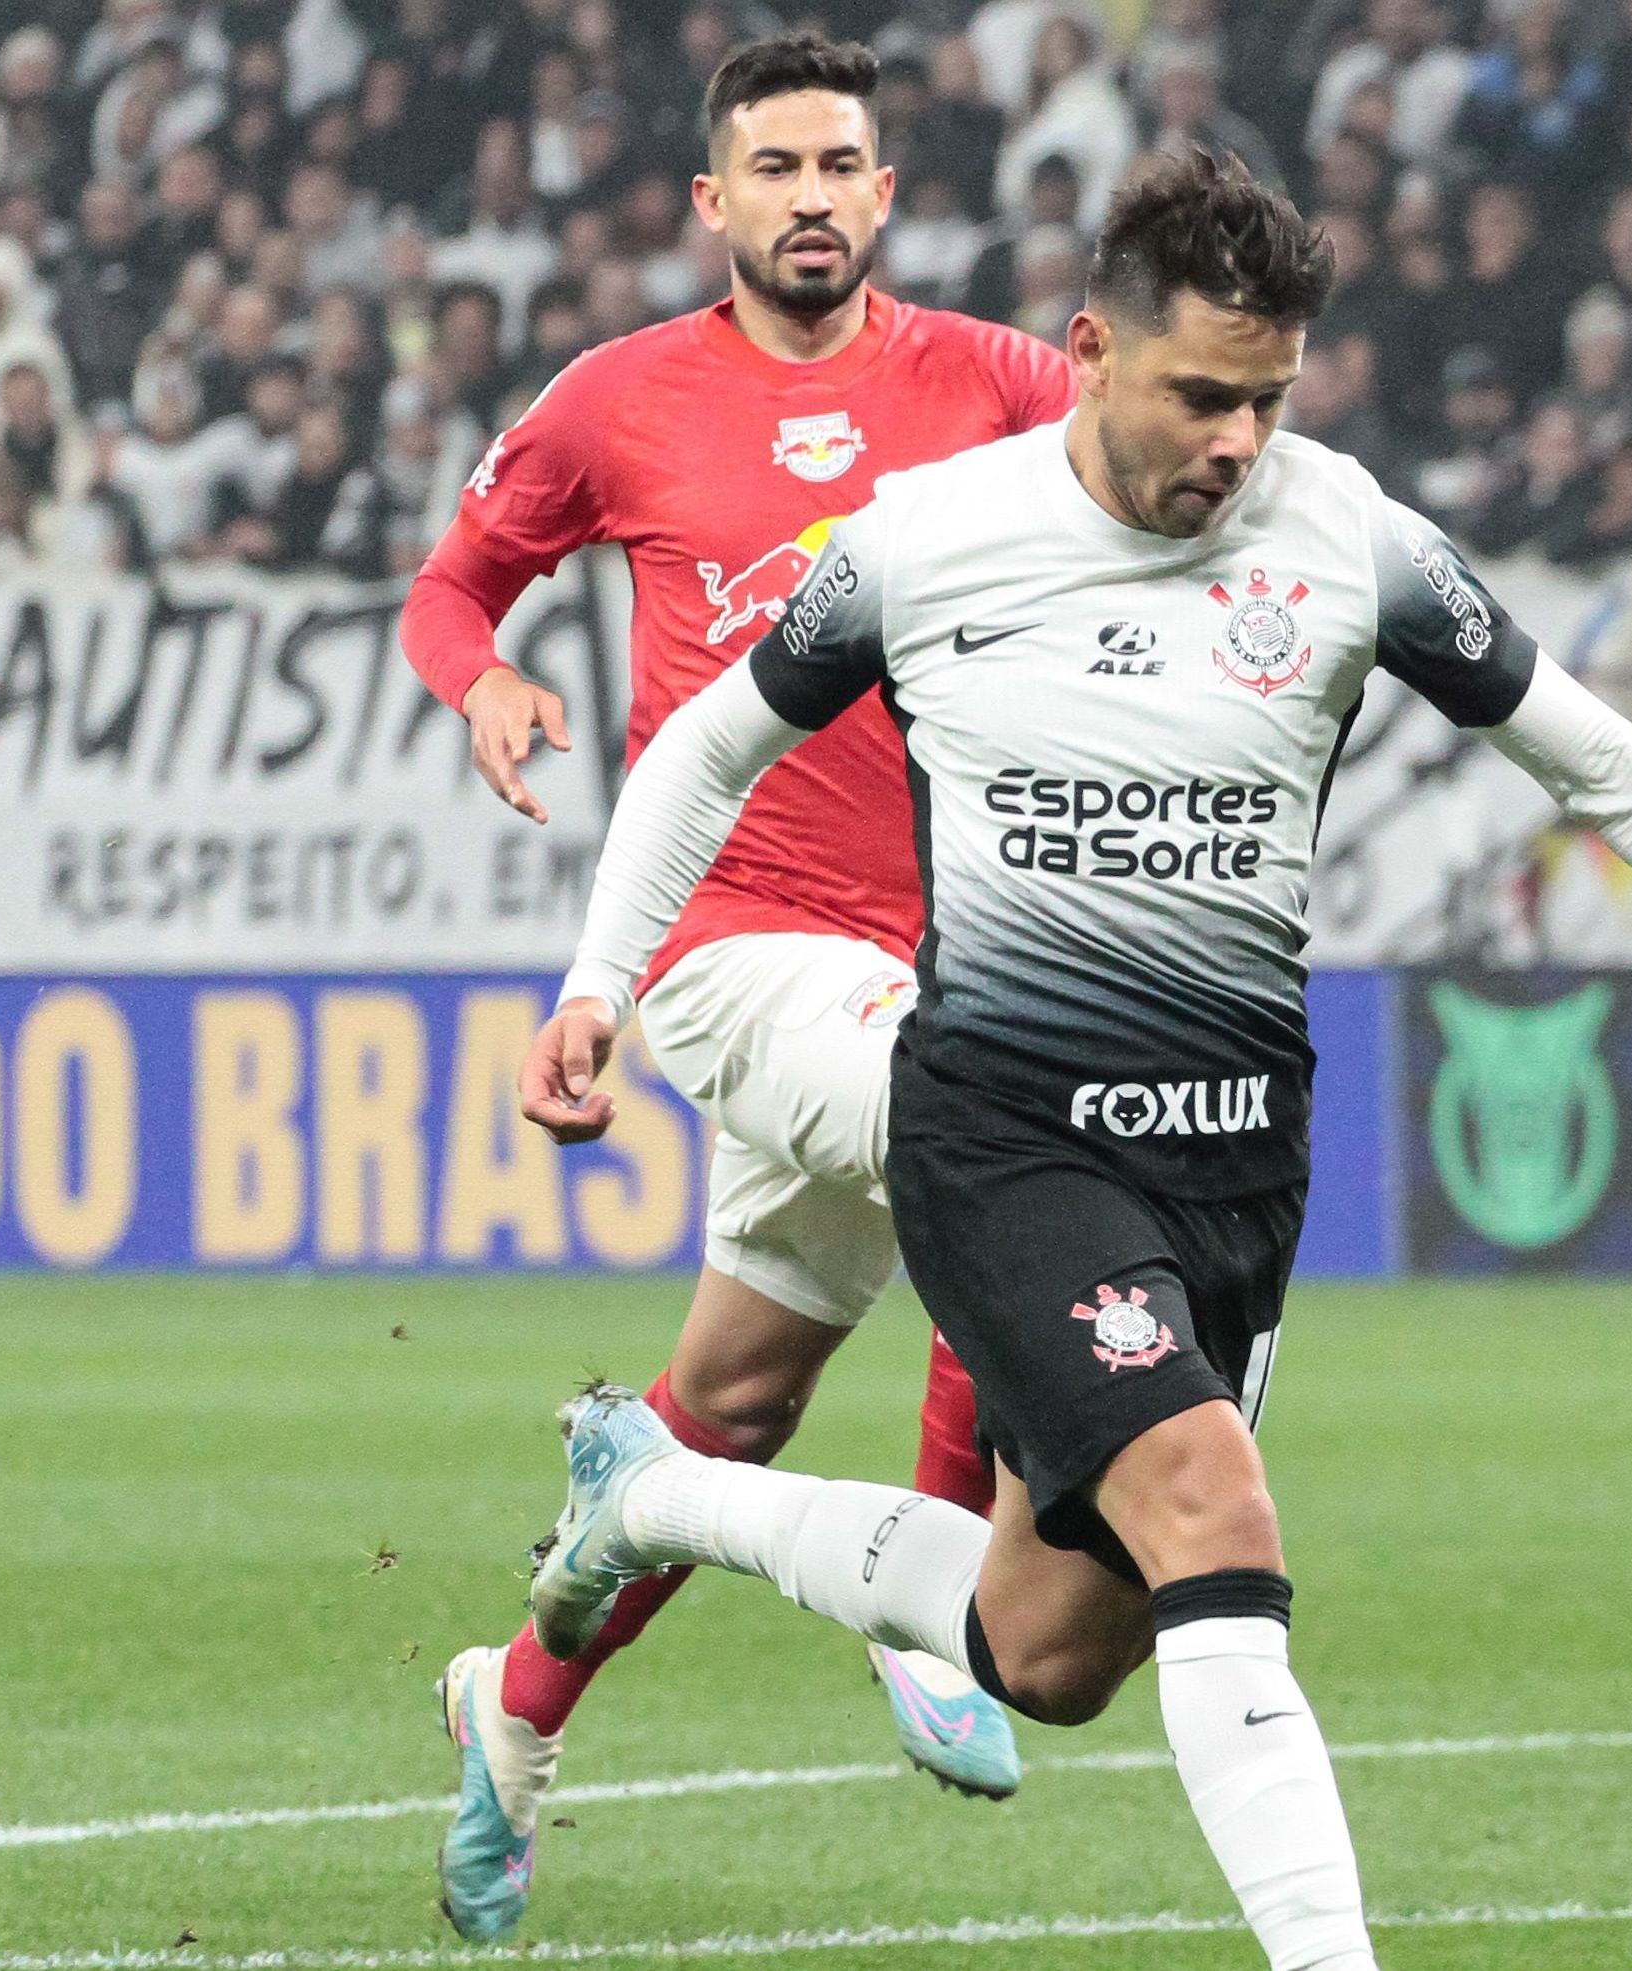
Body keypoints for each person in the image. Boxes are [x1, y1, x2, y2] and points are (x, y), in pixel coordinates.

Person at [509, 148, 1632, 1971]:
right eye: (1202, 394)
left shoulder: (1343, 532)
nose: (1235, 440)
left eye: (1269, 399)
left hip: (1230, 1157)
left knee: (1047, 1652)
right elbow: (703, 753)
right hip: (1003, 1131)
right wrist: (599, 976)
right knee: (1216, 1506)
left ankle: (649, 1496)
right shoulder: (923, 542)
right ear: (1090, 349)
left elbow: (1600, 764)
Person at [392, 34, 1075, 1941]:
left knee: (736, 1414)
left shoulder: (997, 383)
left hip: (917, 945)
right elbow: (450, 591)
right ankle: (942, 1603)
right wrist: (489, 683)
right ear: (715, 201)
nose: (806, 195)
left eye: (838, 164)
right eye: (769, 166)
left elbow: (1135, 486)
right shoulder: (619, 400)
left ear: (883, 190)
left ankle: (513, 1711)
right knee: (998, 1140)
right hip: (722, 945)